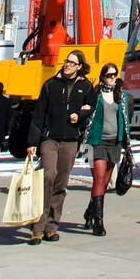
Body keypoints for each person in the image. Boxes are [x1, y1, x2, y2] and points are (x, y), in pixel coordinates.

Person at [26, 50, 95, 244]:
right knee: (47, 176)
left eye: (72, 63)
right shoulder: (50, 85)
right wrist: (32, 142)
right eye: (67, 61)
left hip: (70, 140)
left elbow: (91, 108)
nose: (67, 65)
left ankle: (52, 226)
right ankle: (37, 227)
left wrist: (79, 116)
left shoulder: (86, 87)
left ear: (79, 66)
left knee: (61, 182)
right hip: (50, 138)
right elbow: (38, 114)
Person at [83, 62, 131, 237]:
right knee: (98, 178)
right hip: (94, 143)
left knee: (105, 181)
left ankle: (90, 211)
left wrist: (127, 143)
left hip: (114, 143)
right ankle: (99, 222)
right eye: (109, 75)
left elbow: (126, 120)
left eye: (114, 75)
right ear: (102, 76)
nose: (112, 78)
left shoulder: (121, 96)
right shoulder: (95, 94)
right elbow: (85, 114)